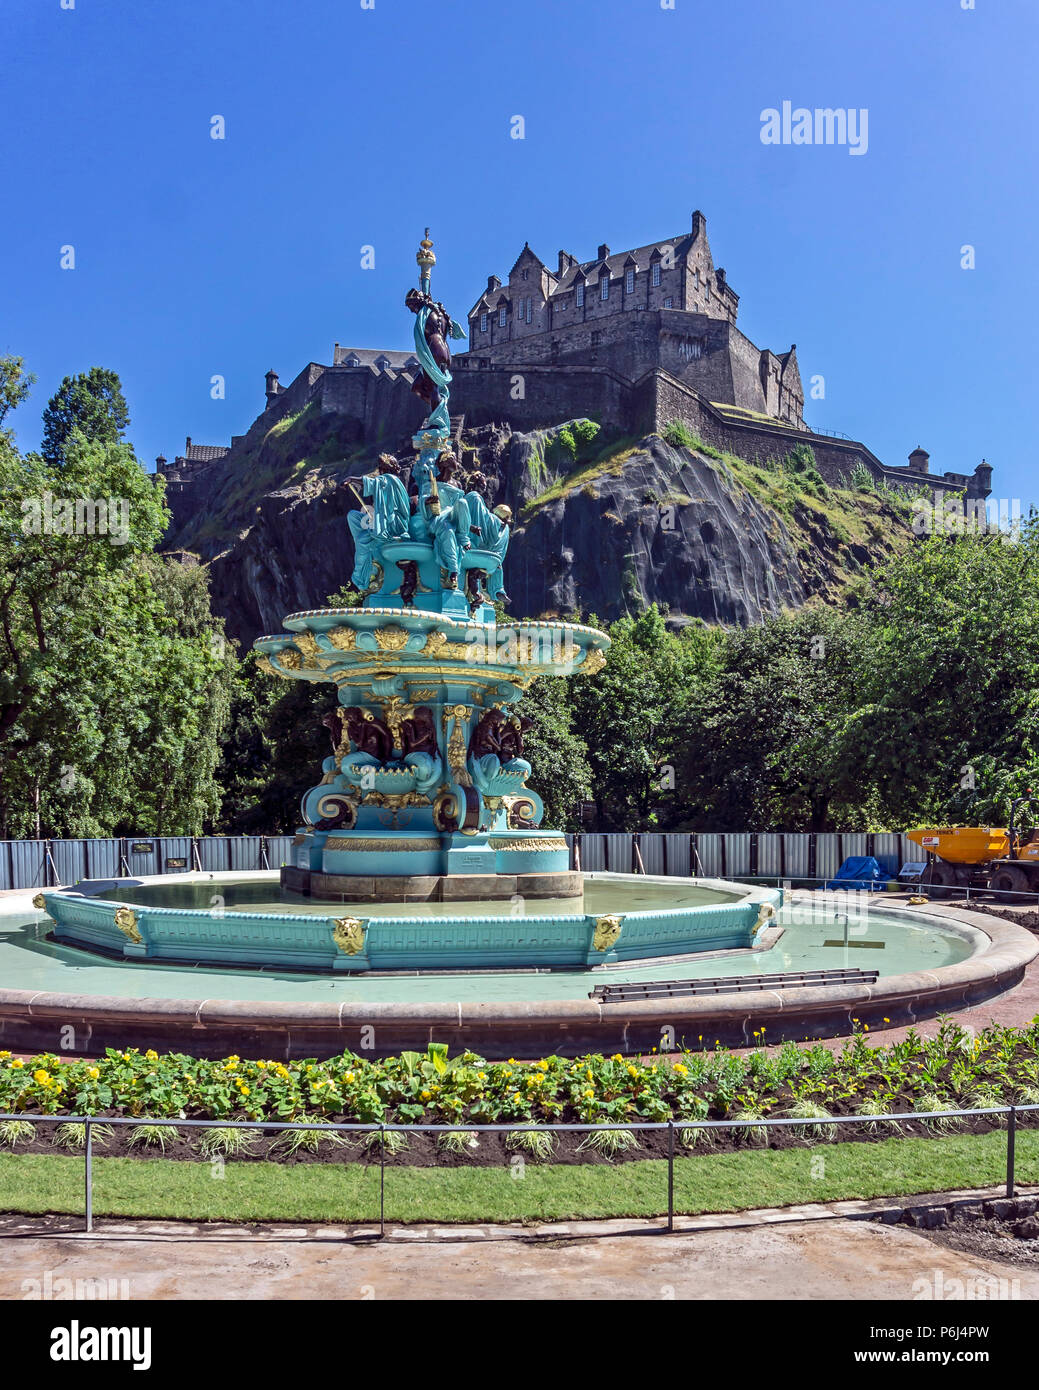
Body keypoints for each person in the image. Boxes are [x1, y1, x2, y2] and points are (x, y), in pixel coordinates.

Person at [345, 454, 410, 593]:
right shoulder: (390, 481)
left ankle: (361, 577)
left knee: (363, 541)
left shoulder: (389, 480)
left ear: (383, 469)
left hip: (393, 525)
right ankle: (366, 551)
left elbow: (373, 483)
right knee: (353, 516)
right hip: (385, 520)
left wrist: (353, 479)